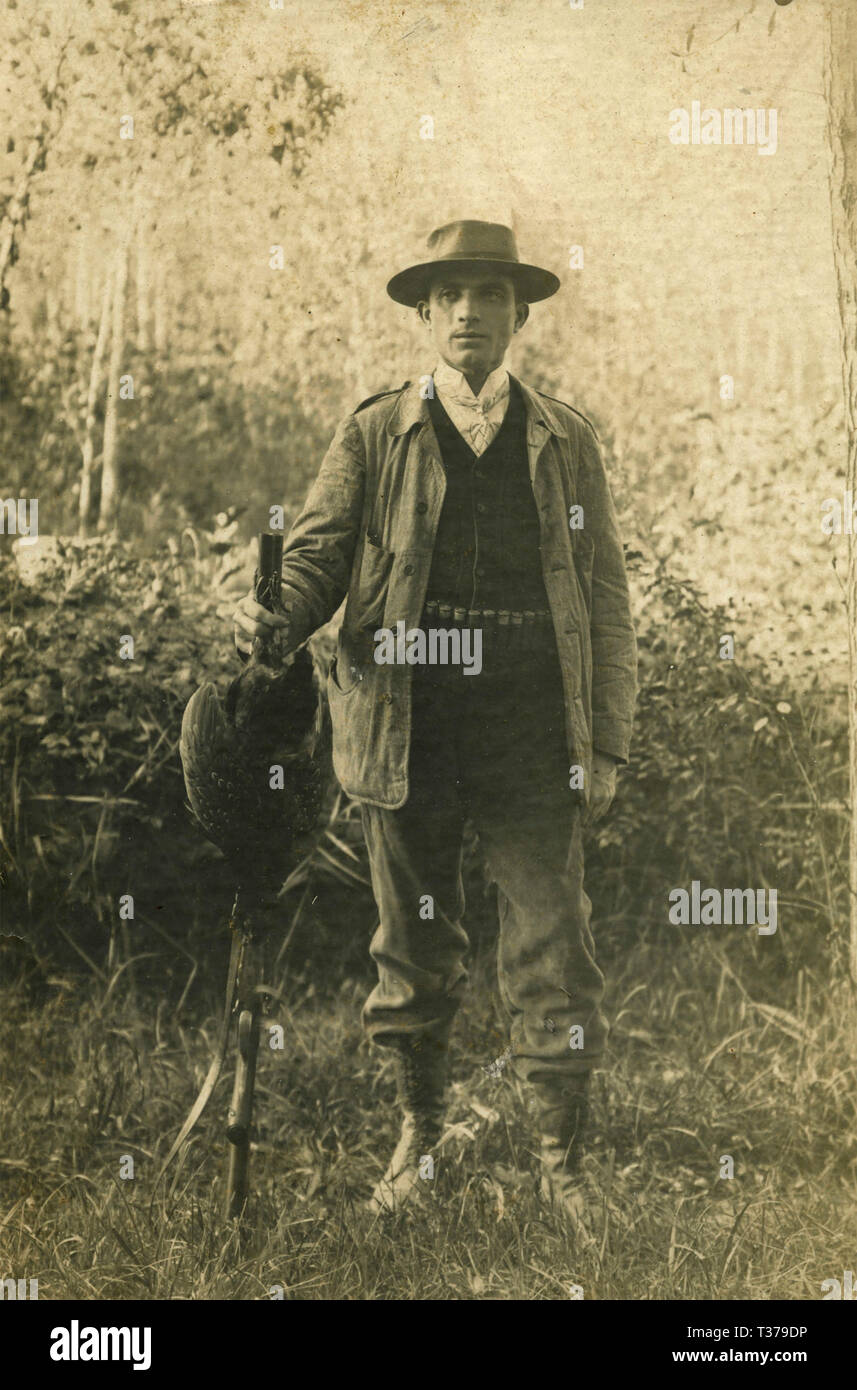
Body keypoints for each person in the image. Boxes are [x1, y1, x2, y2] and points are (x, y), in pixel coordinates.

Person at [231, 220, 638, 1229]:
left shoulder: (565, 439)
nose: (467, 312)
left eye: (487, 295)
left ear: (518, 315)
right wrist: (274, 616)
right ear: (423, 313)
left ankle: (562, 1165)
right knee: (411, 942)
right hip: (405, 724)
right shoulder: (375, 431)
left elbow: (606, 599)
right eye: (448, 295)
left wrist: (608, 745)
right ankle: (418, 1133)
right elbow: (318, 556)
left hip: (532, 732)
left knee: (553, 943)